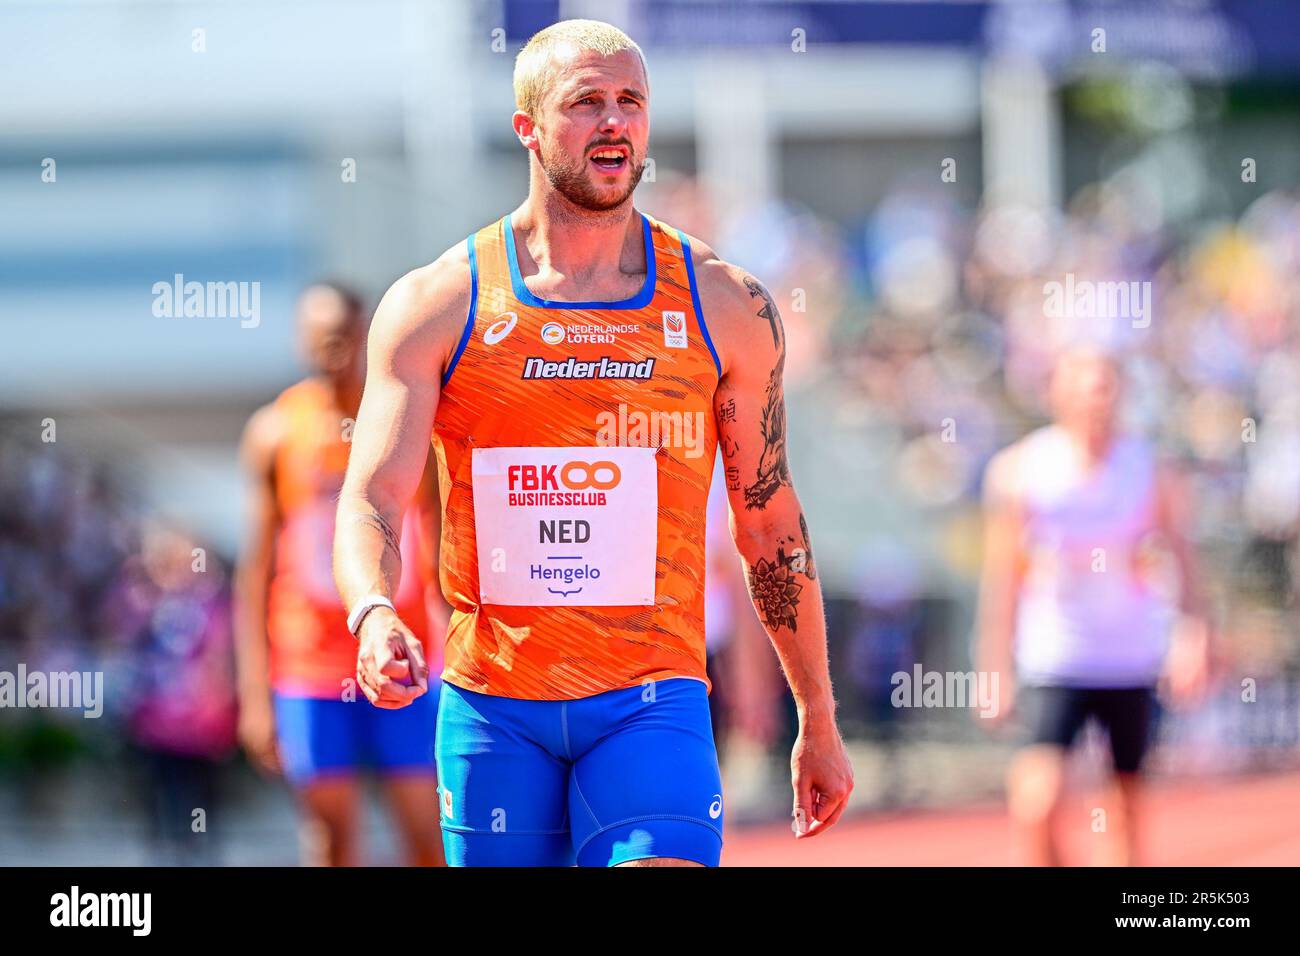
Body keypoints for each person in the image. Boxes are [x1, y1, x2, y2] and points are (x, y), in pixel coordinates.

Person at [333, 19, 853, 867]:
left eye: (631, 102)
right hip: (494, 703)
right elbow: (373, 498)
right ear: (528, 129)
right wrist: (374, 610)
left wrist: (818, 716)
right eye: (586, 103)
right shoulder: (440, 304)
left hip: (653, 699)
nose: (615, 122)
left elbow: (769, 524)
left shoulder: (726, 307)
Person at [234, 283, 447, 866]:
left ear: (366, 336)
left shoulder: (404, 423)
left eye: (347, 340)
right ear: (303, 341)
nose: (337, 355)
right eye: (324, 342)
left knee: (426, 831)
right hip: (309, 666)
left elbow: (445, 545)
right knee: (330, 837)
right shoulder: (276, 432)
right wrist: (255, 693)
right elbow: (255, 571)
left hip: (405, 657)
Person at [977, 345, 1211, 866]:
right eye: (1085, 387)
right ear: (1058, 394)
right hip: (1056, 655)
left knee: (1123, 808)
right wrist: (994, 666)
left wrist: (1192, 636)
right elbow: (1001, 578)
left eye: (1106, 387)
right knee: (1036, 801)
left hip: (1129, 656)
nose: (1096, 399)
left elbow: (1186, 562)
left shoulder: (1150, 470)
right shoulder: (1021, 470)